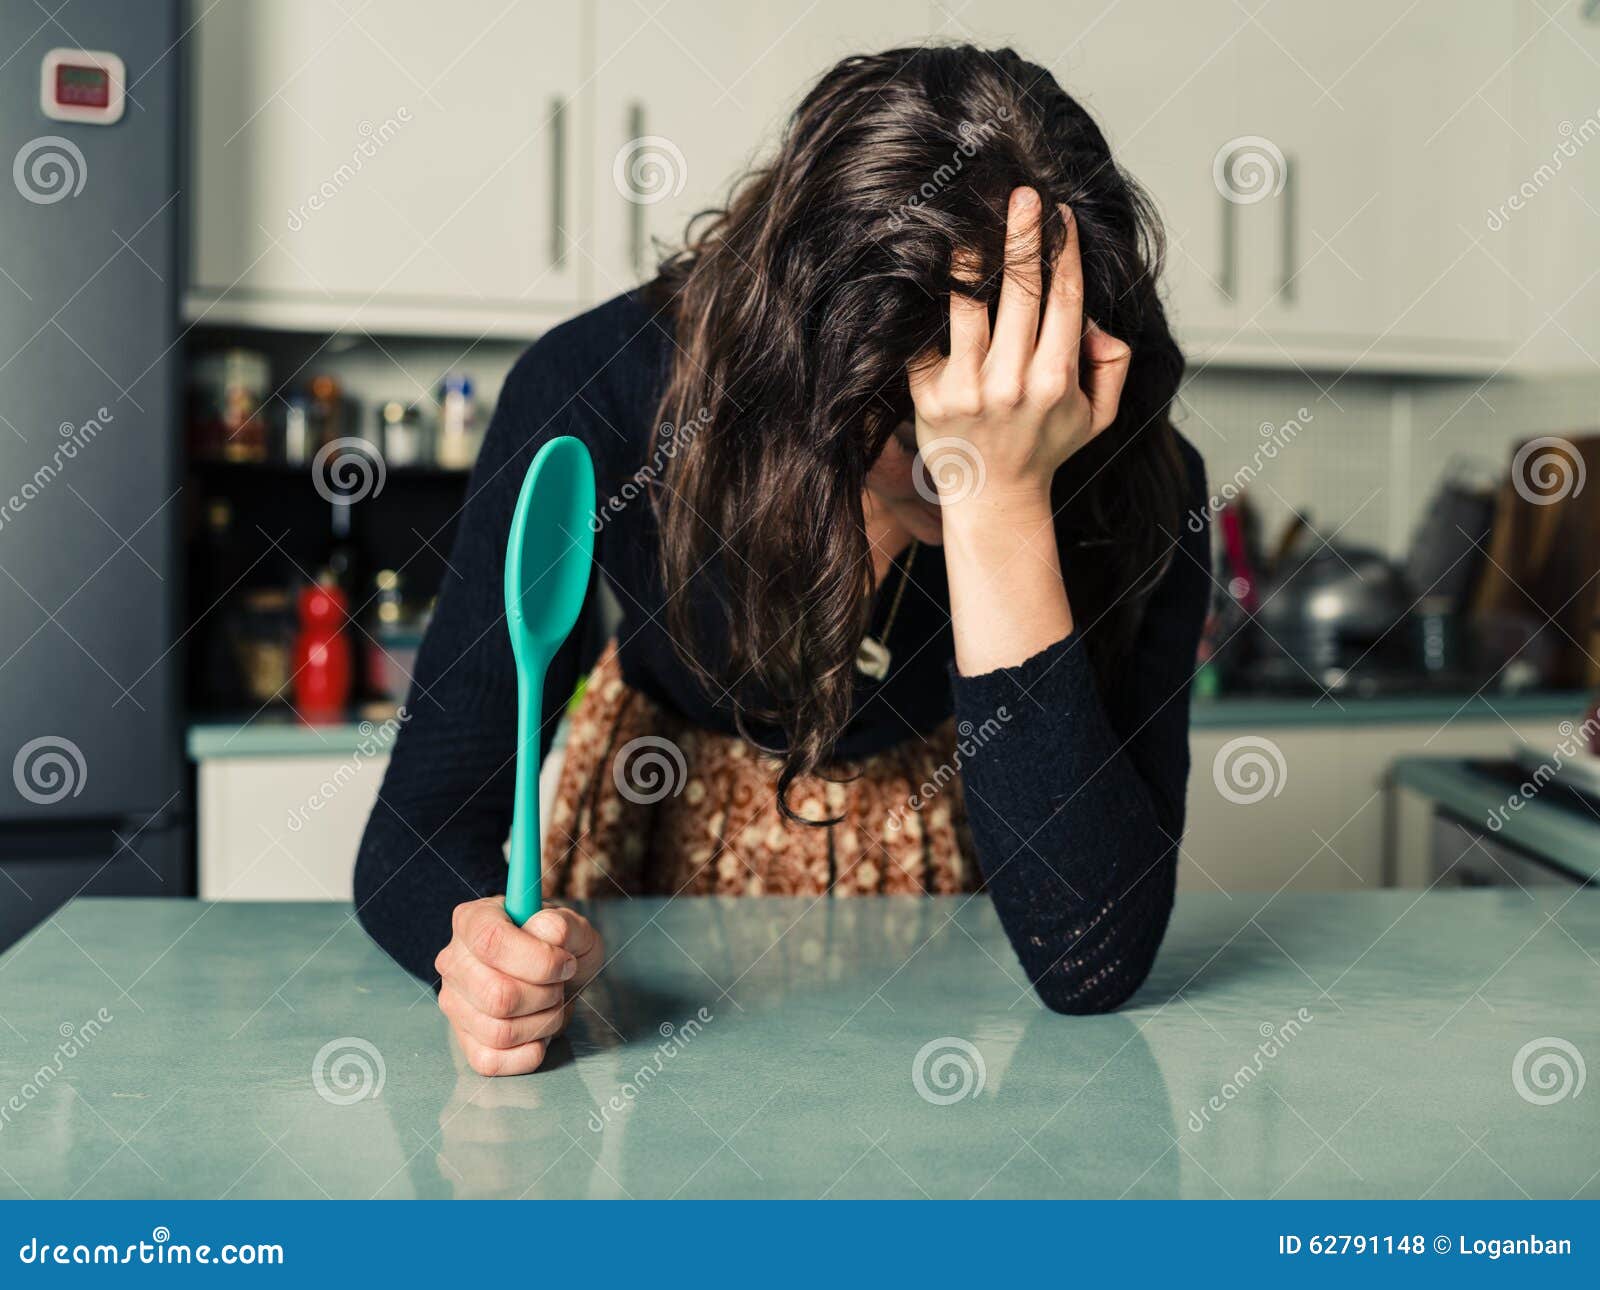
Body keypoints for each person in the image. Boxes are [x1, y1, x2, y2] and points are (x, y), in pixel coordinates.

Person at [354, 44, 1210, 1076]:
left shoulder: (1128, 470)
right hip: (653, 887)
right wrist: (479, 949)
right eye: (916, 412)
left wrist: (1004, 502)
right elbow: (416, 833)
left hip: (953, 981)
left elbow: (1093, 963)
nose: (961, 443)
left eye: (1016, 395)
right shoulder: (603, 391)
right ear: (799, 357)